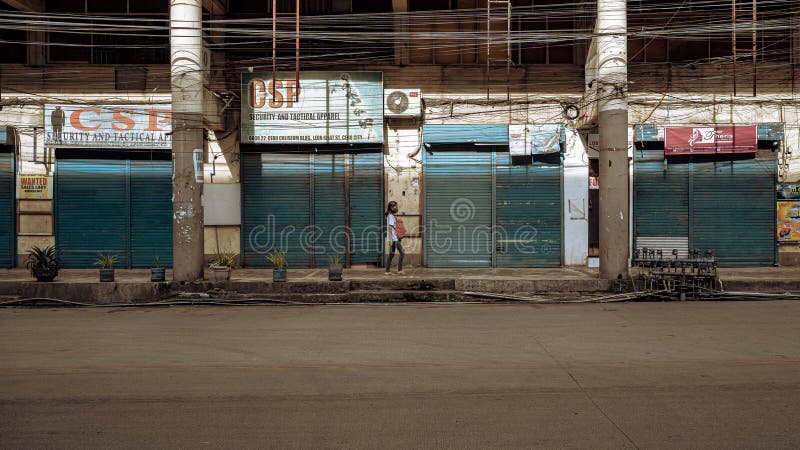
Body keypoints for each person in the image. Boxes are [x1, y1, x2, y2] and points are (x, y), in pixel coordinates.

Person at [385, 200, 405, 275]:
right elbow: (390, 228)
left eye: (396, 206)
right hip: (394, 239)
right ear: (390, 208)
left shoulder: (391, 215)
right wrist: (390, 239)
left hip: (393, 238)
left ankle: (387, 271)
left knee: (391, 254)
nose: (396, 207)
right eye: (394, 206)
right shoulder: (390, 216)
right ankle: (399, 270)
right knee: (402, 252)